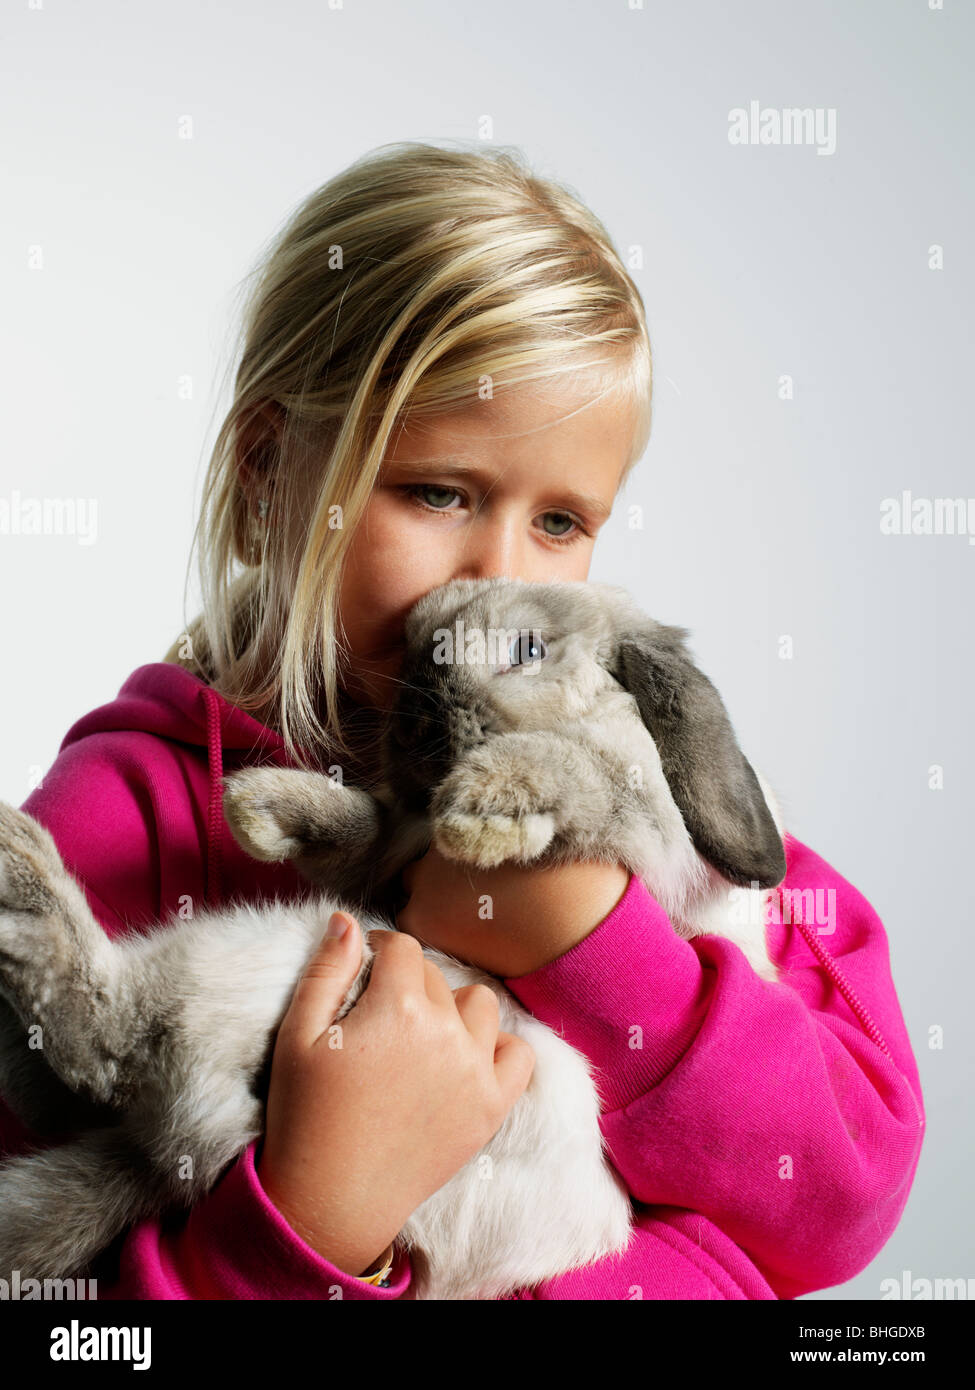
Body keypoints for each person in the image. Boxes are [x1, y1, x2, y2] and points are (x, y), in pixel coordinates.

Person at [4, 141, 925, 1300]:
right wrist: (315, 1216)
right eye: (437, 492)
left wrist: (591, 947)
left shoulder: (653, 792)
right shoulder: (116, 827)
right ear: (263, 474)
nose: (490, 582)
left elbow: (839, 1197)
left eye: (560, 522)